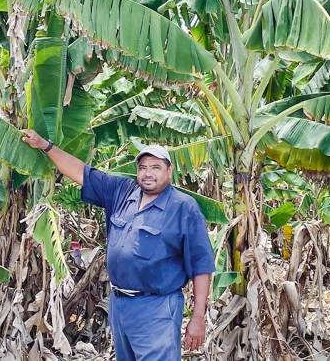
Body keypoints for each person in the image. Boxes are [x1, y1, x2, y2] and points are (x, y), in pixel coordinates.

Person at [21, 129, 215, 361]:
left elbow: (201, 266)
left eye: (156, 167)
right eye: (143, 167)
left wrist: (198, 317)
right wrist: (45, 145)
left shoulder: (184, 208)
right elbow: (81, 172)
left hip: (157, 307)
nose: (148, 173)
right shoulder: (123, 192)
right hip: (119, 303)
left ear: (169, 171)